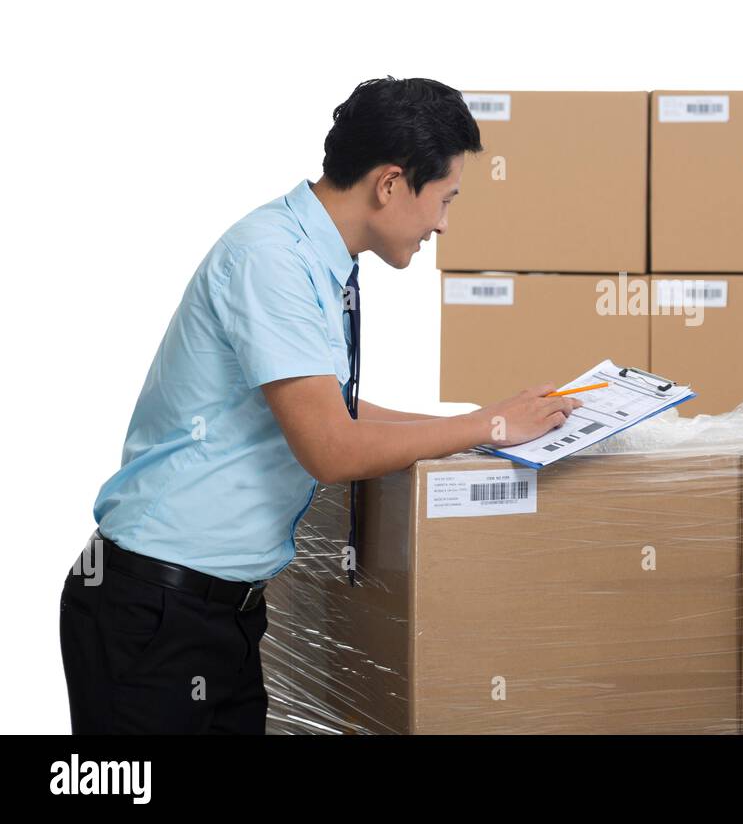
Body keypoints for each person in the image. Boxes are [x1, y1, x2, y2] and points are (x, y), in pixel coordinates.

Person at [60, 76, 583, 733]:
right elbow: (332, 449)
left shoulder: (314, 258)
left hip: (220, 612)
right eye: (444, 199)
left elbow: (335, 411)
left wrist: (486, 429)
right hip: (155, 610)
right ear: (391, 184)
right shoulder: (271, 260)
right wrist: (485, 424)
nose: (443, 224)